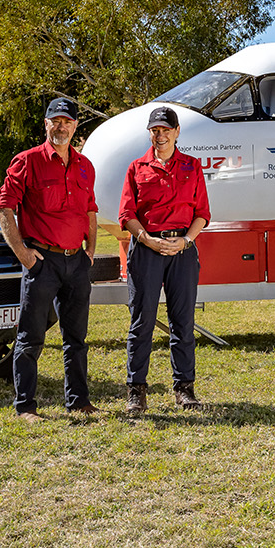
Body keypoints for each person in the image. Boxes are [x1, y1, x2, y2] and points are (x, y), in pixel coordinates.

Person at [0, 97, 100, 422]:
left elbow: (90, 209)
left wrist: (90, 252)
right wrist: (25, 256)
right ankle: (26, 407)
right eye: (55, 121)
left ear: (75, 126)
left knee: (76, 339)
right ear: (45, 124)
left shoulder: (85, 165)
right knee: (31, 338)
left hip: (76, 263)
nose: (61, 127)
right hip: (43, 263)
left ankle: (78, 401)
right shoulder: (27, 162)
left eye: (67, 121)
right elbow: (5, 207)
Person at [118, 106, 211, 412]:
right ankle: (136, 390)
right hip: (147, 248)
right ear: (150, 133)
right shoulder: (136, 168)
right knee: (142, 321)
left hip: (182, 249)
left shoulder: (192, 166)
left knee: (183, 321)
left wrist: (184, 240)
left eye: (165, 130)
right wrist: (147, 240)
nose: (160, 135)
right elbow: (127, 214)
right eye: (155, 130)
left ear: (176, 131)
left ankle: (184, 388)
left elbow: (202, 214)